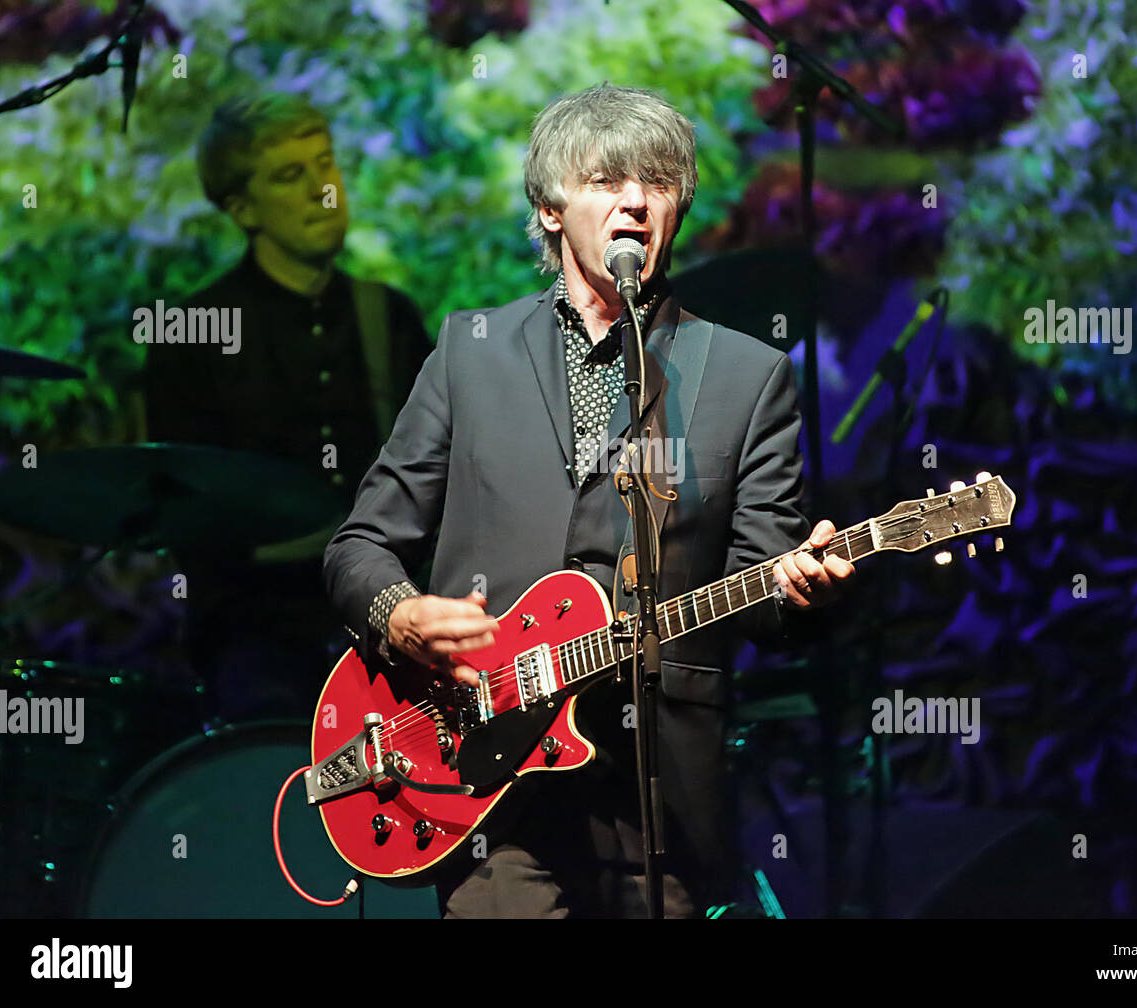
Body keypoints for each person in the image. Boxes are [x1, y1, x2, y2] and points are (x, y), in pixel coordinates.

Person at [324, 85, 852, 917]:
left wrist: (799, 591)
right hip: (489, 778)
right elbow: (359, 544)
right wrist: (399, 615)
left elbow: (764, 589)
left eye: (659, 182)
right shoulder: (471, 351)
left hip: (666, 804)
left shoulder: (748, 377)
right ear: (548, 207)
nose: (636, 202)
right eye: (607, 180)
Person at [145, 92, 433, 720]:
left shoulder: (390, 318)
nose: (322, 190)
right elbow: (191, 518)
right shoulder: (189, 333)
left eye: (325, 165)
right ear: (241, 208)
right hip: (260, 636)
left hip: (391, 618)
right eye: (289, 176)